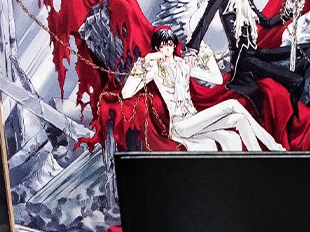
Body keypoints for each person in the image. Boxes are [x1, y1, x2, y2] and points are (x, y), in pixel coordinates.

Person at [186, 0, 310, 118]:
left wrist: (288, 11)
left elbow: (267, 23)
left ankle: (289, 77)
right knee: (296, 81)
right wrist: (192, 48)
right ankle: (291, 120)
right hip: (243, 57)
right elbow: (206, 18)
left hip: (255, 51)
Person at [120, 27, 283, 152]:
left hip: (195, 120)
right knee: (233, 104)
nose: (167, 48)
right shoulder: (154, 68)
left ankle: (256, 156)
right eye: (163, 45)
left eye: (169, 44)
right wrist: (145, 61)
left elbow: (217, 79)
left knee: (238, 120)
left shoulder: (183, 63)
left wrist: (206, 53)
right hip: (180, 125)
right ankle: (274, 148)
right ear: (157, 48)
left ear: (174, 44)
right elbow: (126, 93)